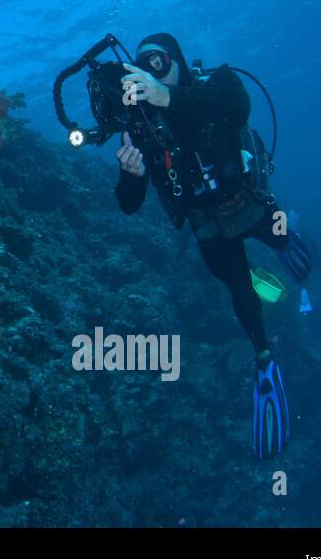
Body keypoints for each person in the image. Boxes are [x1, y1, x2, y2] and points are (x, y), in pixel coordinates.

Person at [112, 33, 308, 458]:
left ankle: (298, 251)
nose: (152, 69)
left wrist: (169, 96)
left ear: (177, 59)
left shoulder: (215, 83)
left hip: (251, 205)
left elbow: (239, 107)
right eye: (144, 63)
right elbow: (129, 206)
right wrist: (130, 174)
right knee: (238, 285)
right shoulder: (144, 124)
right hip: (206, 226)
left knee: (283, 241)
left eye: (159, 60)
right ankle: (264, 358)